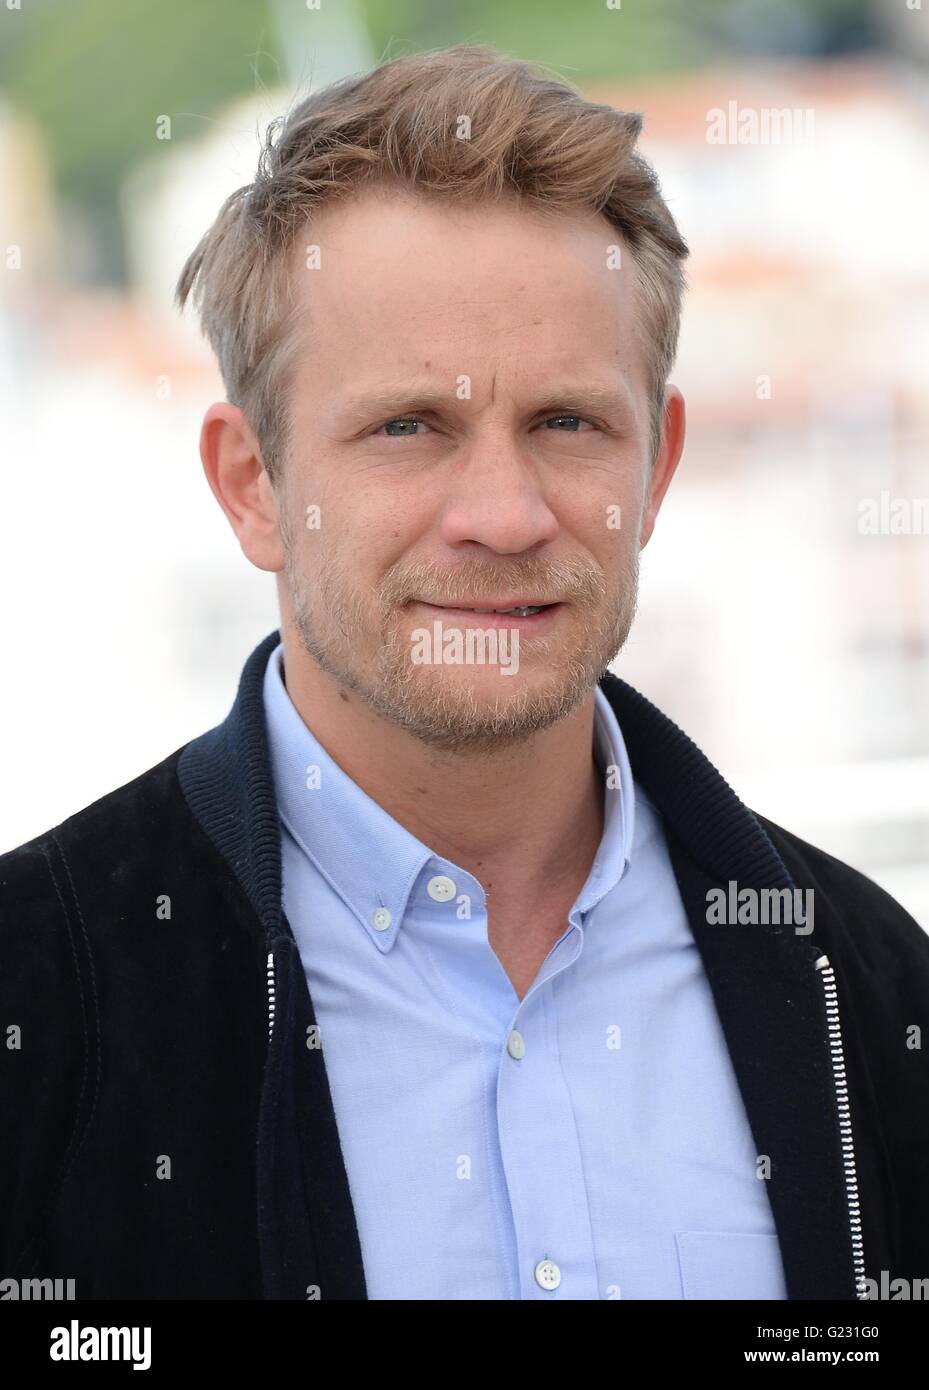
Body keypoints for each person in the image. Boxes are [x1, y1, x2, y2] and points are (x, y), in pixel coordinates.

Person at [2, 44, 926, 1303]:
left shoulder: (864, 988)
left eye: (565, 422)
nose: (502, 514)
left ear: (653, 471)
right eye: (407, 427)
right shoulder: (41, 998)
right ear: (251, 485)